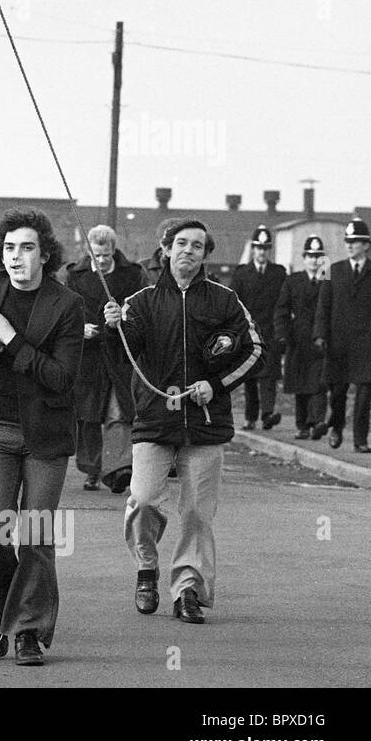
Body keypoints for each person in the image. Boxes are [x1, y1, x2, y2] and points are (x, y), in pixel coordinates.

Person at [104, 219, 262, 625]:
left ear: (205, 254)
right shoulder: (139, 301)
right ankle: (145, 568)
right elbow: (125, 354)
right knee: (142, 499)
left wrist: (217, 384)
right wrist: (114, 326)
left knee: (196, 512)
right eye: (181, 243)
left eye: (197, 245)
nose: (188, 250)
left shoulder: (226, 300)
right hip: (155, 420)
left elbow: (256, 351)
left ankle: (188, 590)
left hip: (206, 424)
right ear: (166, 249)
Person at [0, 208, 84, 665]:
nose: (16, 257)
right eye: (8, 248)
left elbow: (63, 377)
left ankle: (28, 630)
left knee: (36, 536)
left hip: (46, 437)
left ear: (45, 254)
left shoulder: (66, 304)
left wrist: (10, 340)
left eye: (27, 248)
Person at [64, 225, 144, 493]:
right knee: (87, 415)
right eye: (96, 255)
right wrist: (79, 328)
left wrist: (123, 317)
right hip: (87, 356)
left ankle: (118, 469)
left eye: (106, 255)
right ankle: (91, 470)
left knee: (118, 411)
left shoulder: (132, 275)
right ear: (89, 251)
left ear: (114, 250)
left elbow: (141, 310)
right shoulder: (74, 276)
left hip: (117, 352)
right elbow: (64, 310)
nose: (101, 260)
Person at [314, 218, 371, 453]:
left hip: (367, 345)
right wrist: (320, 335)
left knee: (364, 395)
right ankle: (336, 426)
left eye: (356, 241)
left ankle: (360, 440)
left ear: (366, 245)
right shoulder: (331, 270)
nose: (350, 245)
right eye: (348, 241)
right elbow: (323, 306)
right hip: (338, 345)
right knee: (337, 394)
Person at [230, 226, 287, 430]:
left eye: (265, 248)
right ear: (253, 249)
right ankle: (250, 417)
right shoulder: (242, 274)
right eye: (258, 248)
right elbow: (235, 304)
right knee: (251, 378)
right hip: (250, 332)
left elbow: (284, 302)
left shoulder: (279, 273)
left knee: (269, 376)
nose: (262, 252)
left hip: (271, 332)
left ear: (269, 250)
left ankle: (267, 414)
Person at [274, 235, 329, 440]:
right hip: (298, 340)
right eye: (310, 256)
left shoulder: (328, 281)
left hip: (322, 340)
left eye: (318, 256)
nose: (314, 260)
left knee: (320, 383)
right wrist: (283, 334)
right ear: (304, 258)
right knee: (301, 385)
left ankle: (317, 423)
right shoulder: (293, 281)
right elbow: (282, 310)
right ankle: (302, 425)